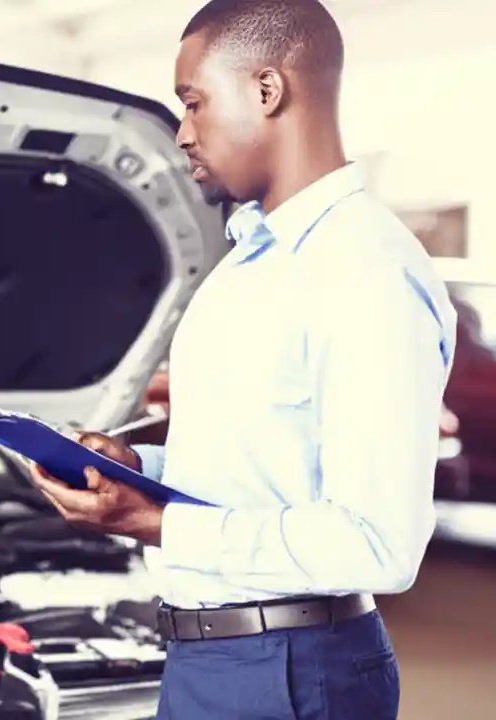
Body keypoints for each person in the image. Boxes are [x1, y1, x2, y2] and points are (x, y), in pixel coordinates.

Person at [27, 1, 457, 718]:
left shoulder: (364, 271)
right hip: (213, 661)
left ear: (267, 90)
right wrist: (139, 473)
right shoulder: (249, 264)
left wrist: (153, 522)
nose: (182, 133)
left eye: (193, 103)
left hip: (290, 671)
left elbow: (379, 541)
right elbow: (256, 470)